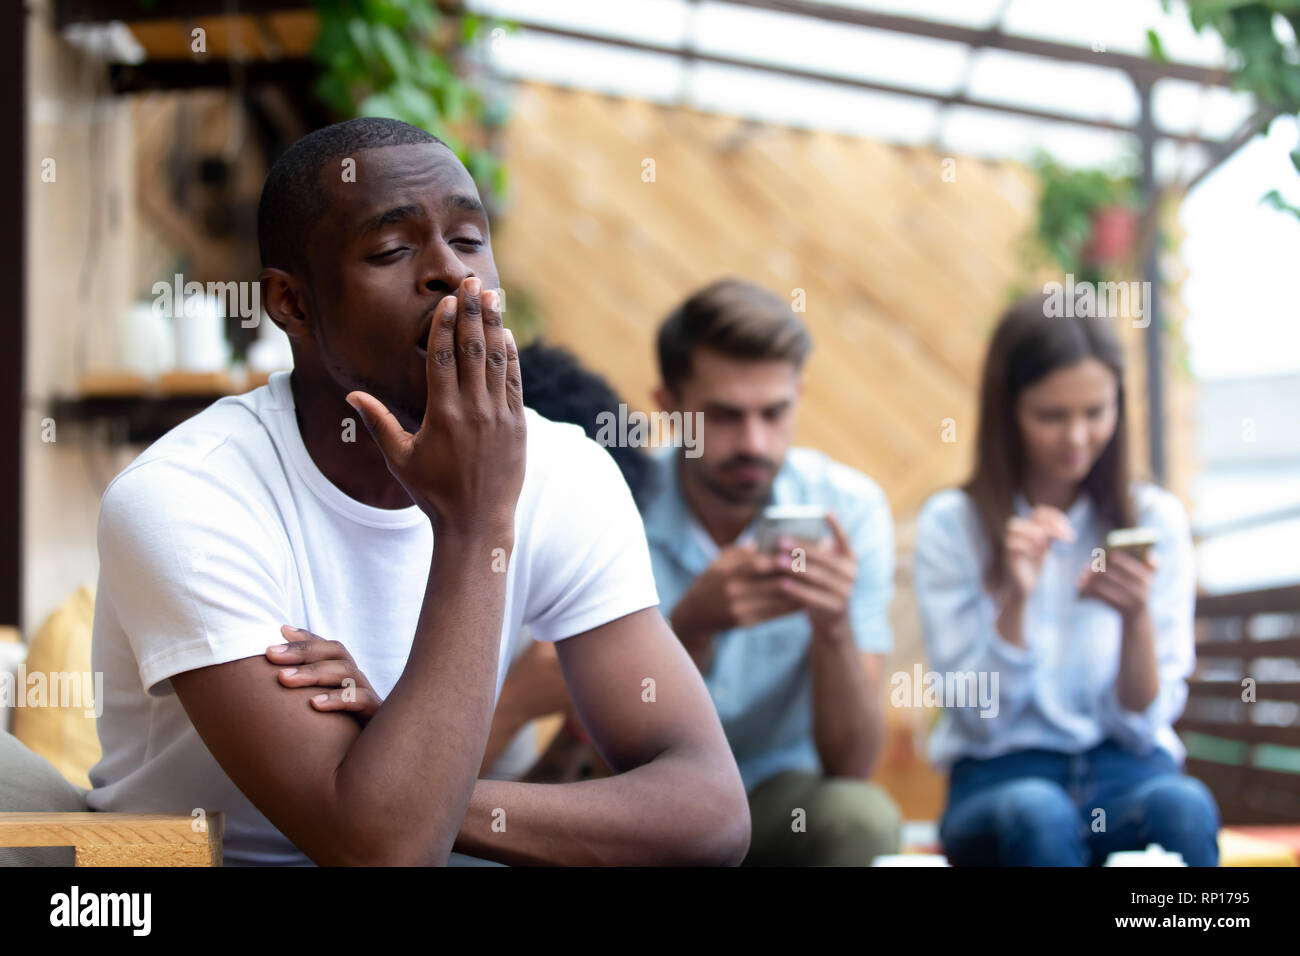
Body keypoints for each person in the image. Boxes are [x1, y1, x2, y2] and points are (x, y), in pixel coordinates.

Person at [86, 118, 750, 867]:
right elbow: (382, 853)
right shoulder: (187, 497)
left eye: (469, 240)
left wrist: (409, 779)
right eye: (391, 250)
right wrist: (478, 522)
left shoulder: (567, 471)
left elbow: (710, 813)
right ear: (291, 304)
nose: (449, 275)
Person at [913, 292, 1220, 866]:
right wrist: (1016, 600)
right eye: (1052, 415)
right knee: (1039, 812)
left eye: (1096, 412)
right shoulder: (953, 526)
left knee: (1185, 805)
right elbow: (980, 724)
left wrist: (1135, 621)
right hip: (999, 780)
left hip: (1125, 772)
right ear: (1007, 411)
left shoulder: (1153, 518)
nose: (1077, 437)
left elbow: (1144, 722)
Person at [639, 278, 902, 866]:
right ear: (668, 405)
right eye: (725, 416)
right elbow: (609, 748)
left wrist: (833, 629)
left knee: (861, 817)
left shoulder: (850, 511)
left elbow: (853, 765)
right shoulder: (620, 506)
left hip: (782, 803)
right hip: (651, 803)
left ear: (800, 395)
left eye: (774, 412)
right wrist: (689, 630)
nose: (753, 442)